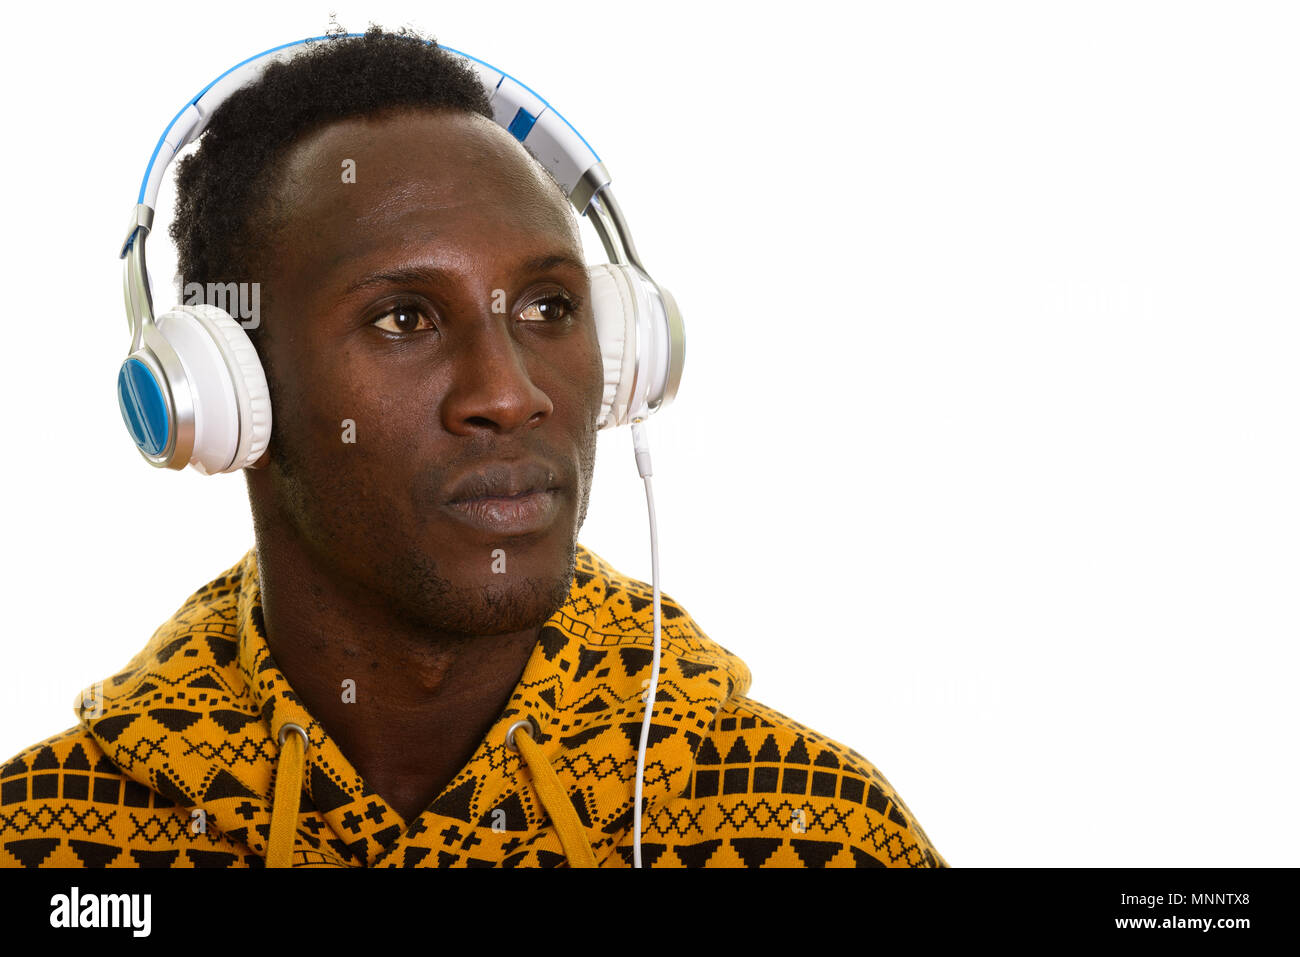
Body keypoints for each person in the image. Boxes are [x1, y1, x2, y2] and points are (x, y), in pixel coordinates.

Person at [0, 26, 947, 868]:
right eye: (404, 317)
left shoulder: (817, 829)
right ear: (220, 394)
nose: (510, 393)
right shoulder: (50, 841)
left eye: (547, 308)